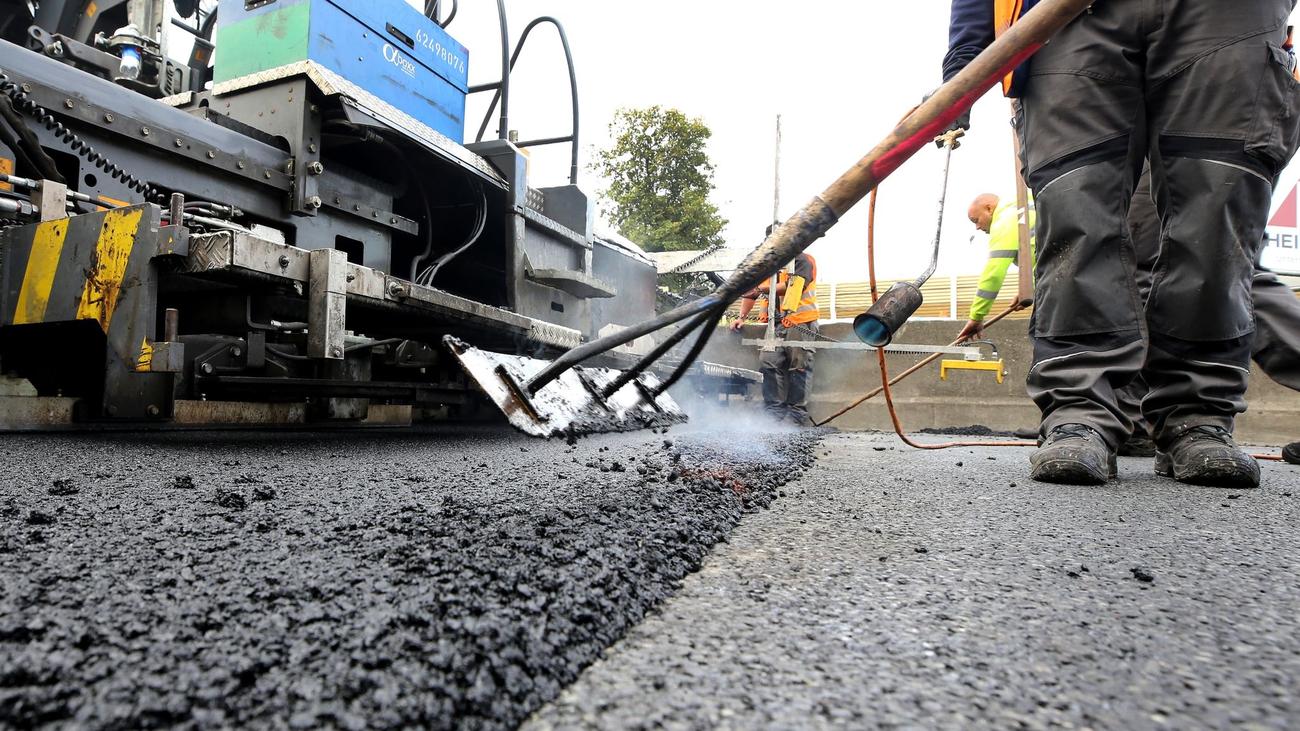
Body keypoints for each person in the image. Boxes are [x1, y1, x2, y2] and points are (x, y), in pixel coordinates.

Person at [944, 0, 1300, 487]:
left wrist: (978, 314)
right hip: (1064, 16)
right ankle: (1081, 408)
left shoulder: (1000, 219)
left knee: (1217, 211)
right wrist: (964, 59)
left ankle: (1197, 415)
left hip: (1230, 13)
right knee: (1077, 205)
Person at [1121, 169, 1300, 465]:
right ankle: (1134, 418)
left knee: (1211, 269)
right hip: (1209, 137)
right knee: (1218, 264)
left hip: (1182, 138)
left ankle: (1141, 417)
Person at [730, 252, 819, 425]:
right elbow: (750, 293)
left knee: (800, 366)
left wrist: (760, 290)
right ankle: (773, 412)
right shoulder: (766, 265)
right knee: (768, 363)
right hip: (775, 325)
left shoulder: (802, 259)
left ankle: (796, 414)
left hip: (801, 321)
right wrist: (742, 317)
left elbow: (795, 285)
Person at [956, 192, 1035, 343]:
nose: (977, 227)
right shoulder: (1022, 206)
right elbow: (1041, 251)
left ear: (989, 209)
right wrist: (1029, 288)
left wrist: (977, 316)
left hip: (1059, 285)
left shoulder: (1005, 219)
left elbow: (993, 273)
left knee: (1043, 335)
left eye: (976, 220)